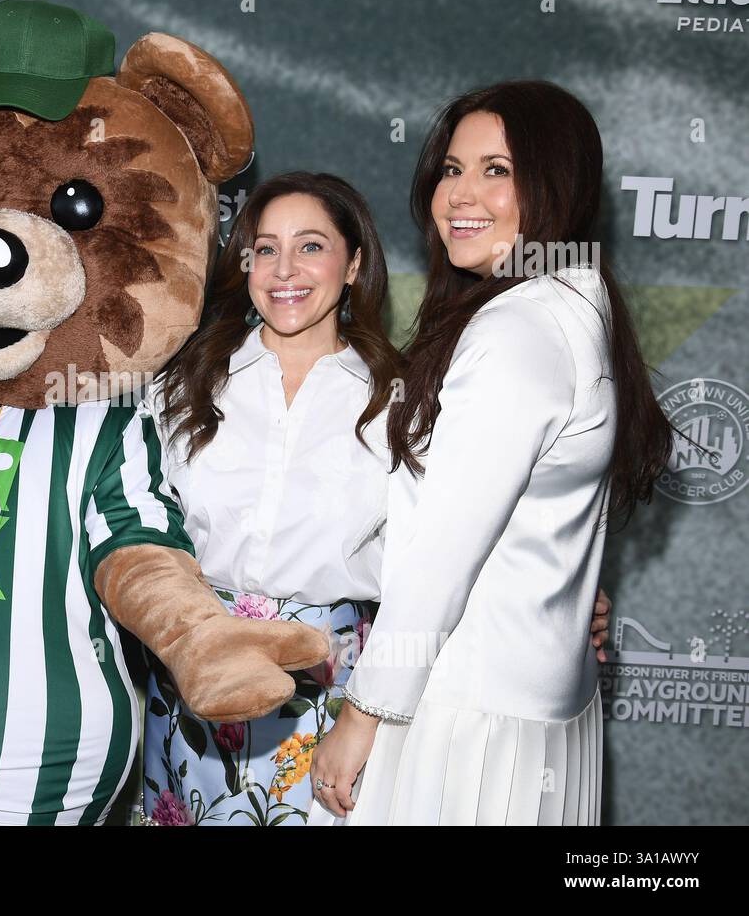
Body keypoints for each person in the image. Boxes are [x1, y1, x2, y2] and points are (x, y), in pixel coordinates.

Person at [138, 171, 611, 826]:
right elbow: (129, 524)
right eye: (265, 248)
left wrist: (565, 594)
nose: (284, 269)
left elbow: (456, 536)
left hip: (331, 693)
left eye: (310, 246)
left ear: (354, 262)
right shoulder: (181, 384)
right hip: (193, 681)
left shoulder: (406, 400)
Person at [313, 81, 672, 826]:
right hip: (535, 710)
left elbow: (442, 554)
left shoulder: (517, 331)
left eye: (496, 170)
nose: (459, 195)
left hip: (463, 716)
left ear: (557, 184)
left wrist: (364, 713)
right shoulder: (578, 306)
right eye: (450, 169)